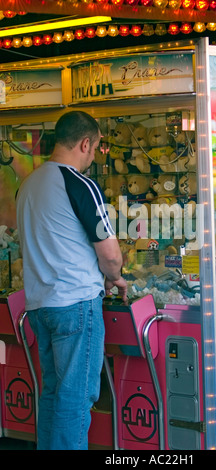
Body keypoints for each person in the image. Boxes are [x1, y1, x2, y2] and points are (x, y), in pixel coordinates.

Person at [16, 110, 127, 450]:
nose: (94, 156)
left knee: (53, 393)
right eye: (94, 148)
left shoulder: (29, 184)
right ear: (84, 143)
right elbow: (109, 253)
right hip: (75, 306)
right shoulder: (78, 183)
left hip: (40, 306)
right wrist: (116, 278)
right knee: (76, 399)